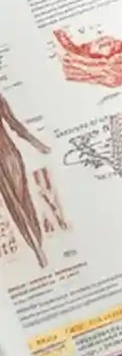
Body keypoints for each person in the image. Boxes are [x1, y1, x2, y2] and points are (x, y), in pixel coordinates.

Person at [0, 92, 50, 268]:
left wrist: (38, 144)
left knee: (16, 204)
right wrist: (38, 144)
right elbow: (14, 124)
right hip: (10, 155)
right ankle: (38, 247)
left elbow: (14, 124)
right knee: (22, 200)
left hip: (7, 157)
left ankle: (38, 248)